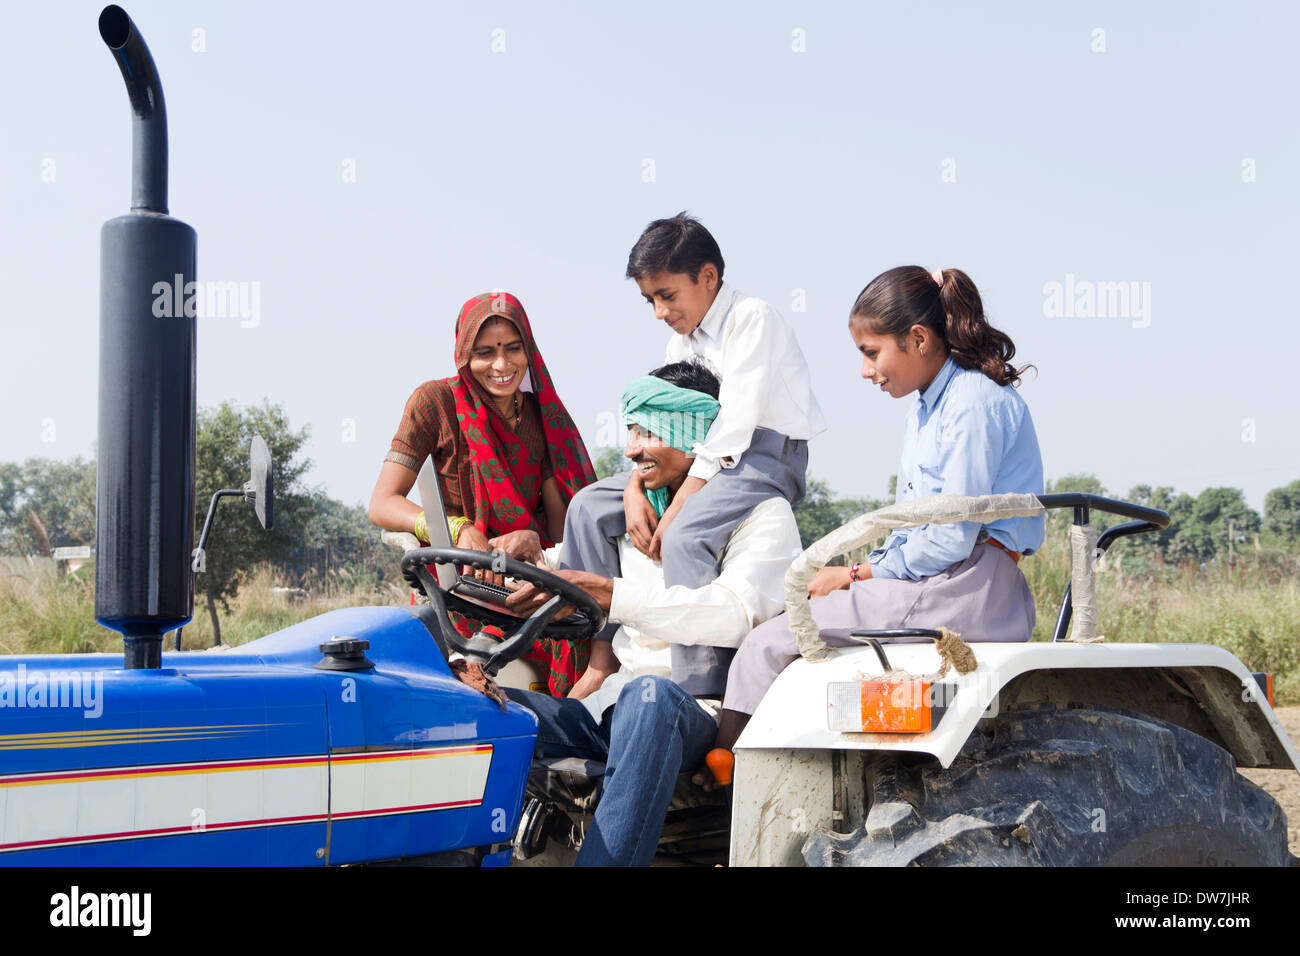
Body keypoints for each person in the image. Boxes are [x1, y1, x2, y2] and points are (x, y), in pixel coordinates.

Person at [701, 265, 1046, 778]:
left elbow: (950, 535)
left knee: (766, 643)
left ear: (919, 339)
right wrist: (862, 571)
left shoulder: (971, 404)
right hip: (942, 576)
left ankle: (721, 787)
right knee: (779, 611)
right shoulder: (928, 407)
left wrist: (859, 574)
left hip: (967, 582)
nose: (866, 371)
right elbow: (917, 527)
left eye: (871, 352)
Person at [503, 359, 803, 866]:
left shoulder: (762, 516)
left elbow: (735, 614)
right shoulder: (630, 511)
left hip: (698, 713)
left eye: (648, 432)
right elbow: (563, 568)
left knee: (649, 697)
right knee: (489, 706)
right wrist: (519, 565)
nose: (631, 449)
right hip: (614, 710)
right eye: (631, 431)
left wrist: (614, 595)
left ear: (692, 434)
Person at [561, 213, 825, 701]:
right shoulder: (681, 340)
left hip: (762, 455)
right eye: (650, 300)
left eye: (667, 295)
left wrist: (679, 502)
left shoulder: (753, 319)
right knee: (588, 507)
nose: (660, 311)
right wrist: (635, 486)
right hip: (697, 456)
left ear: (707, 278)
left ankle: (699, 687)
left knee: (684, 535)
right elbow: (668, 428)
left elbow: (736, 425)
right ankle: (601, 659)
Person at [368, 291, 597, 697]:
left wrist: (533, 542)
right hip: (456, 593)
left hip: (526, 592)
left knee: (583, 638)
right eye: (485, 352)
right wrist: (458, 529)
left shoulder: (543, 417)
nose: (501, 365)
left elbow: (563, 533)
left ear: (530, 350)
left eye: (513, 349)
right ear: (463, 353)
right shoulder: (434, 402)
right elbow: (383, 503)